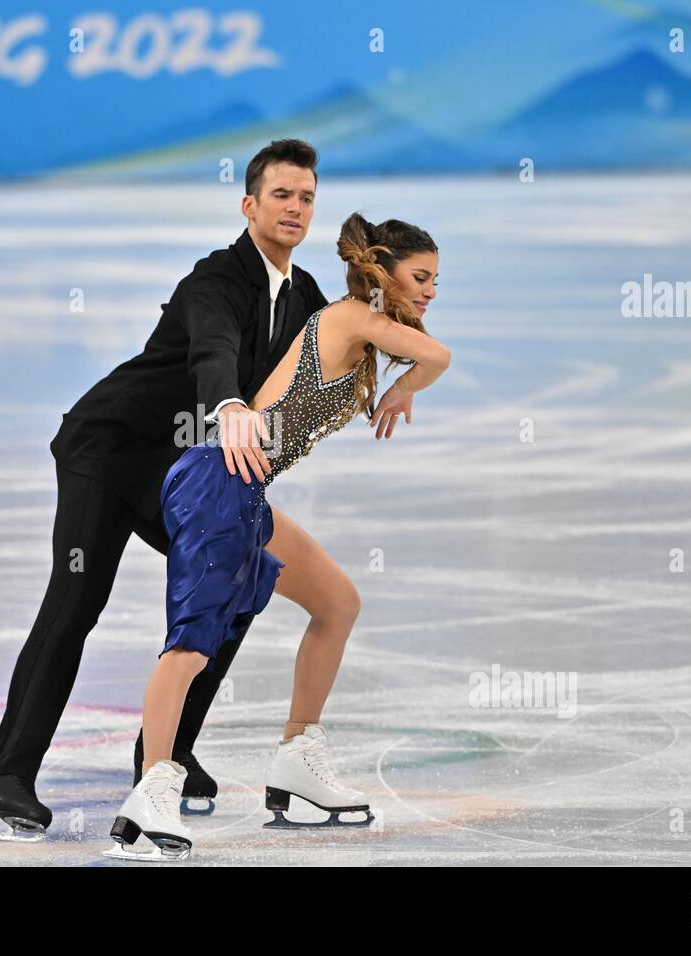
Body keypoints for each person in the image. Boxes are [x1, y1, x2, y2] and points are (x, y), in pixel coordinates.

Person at [0, 140, 333, 841]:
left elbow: (339, 341)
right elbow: (213, 349)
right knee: (76, 602)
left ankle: (164, 753)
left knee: (238, 576)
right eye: (281, 195)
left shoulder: (303, 295)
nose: (295, 208)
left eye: (306, 197)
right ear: (248, 205)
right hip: (109, 451)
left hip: (175, 468)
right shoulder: (214, 280)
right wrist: (230, 408)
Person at [105, 212, 451, 860]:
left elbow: (426, 352)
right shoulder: (353, 317)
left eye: (436, 281)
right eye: (422, 277)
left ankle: (297, 756)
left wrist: (403, 377)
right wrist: (407, 382)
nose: (431, 291)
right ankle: (151, 791)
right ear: (385, 270)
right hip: (216, 483)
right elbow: (438, 355)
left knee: (337, 603)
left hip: (244, 493)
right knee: (189, 648)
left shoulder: (369, 331)